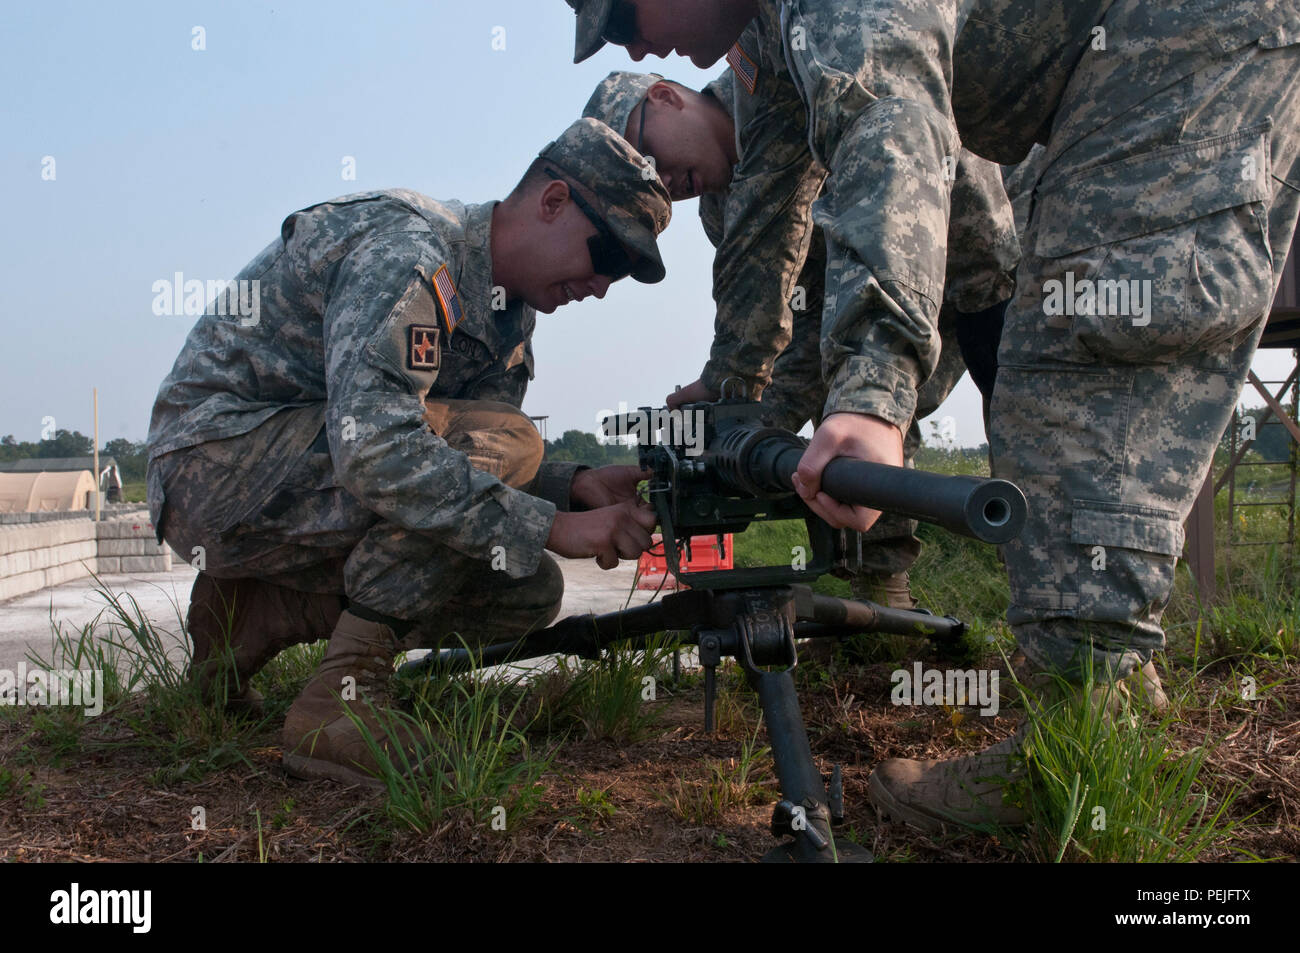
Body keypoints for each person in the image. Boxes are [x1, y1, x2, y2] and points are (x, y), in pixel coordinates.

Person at [563, 0, 1300, 831]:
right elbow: (767, 226)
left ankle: (1082, 745)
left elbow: (891, 123)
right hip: (1100, 97)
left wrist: (874, 392)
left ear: (663, 100)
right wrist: (732, 395)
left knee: (1070, 363)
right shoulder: (766, 47)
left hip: (1170, 53)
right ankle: (1106, 695)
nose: (631, 40)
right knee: (1047, 381)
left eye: (623, 13)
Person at [145, 117, 672, 788]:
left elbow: (458, 464)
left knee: (526, 587)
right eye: (608, 255)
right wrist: (553, 524)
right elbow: (376, 449)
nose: (602, 284)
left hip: (295, 476)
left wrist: (573, 485)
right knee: (512, 444)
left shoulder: (508, 318)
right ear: (553, 202)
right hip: (211, 463)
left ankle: (261, 611)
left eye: (623, 274)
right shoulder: (413, 251)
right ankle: (341, 701)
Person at [582, 67, 1018, 607]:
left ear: (666, 98)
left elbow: (928, 174)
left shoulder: (789, 84)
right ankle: (880, 597)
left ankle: (1083, 629)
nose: (664, 182)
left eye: (649, 159)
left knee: (1026, 417)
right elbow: (808, 323)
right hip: (874, 315)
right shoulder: (724, 211)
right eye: (647, 186)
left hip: (984, 262)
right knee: (847, 411)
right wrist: (744, 419)